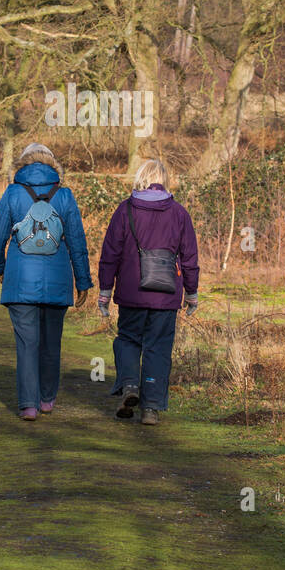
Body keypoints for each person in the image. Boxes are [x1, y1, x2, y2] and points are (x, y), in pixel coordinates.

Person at [0, 143, 92, 420]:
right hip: (57, 281)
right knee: (51, 343)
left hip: (20, 283)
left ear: (23, 165)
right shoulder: (65, 195)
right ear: (52, 165)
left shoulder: (12, 192)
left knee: (26, 344)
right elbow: (78, 241)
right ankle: (47, 399)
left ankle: (28, 405)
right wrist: (82, 281)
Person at [97, 158, 199, 425]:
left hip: (131, 291)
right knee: (159, 347)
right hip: (165, 295)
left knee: (128, 339)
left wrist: (105, 291)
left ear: (141, 178)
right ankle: (151, 407)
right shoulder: (179, 213)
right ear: (165, 180)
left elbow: (110, 254)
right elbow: (190, 257)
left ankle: (130, 385)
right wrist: (192, 292)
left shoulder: (125, 210)